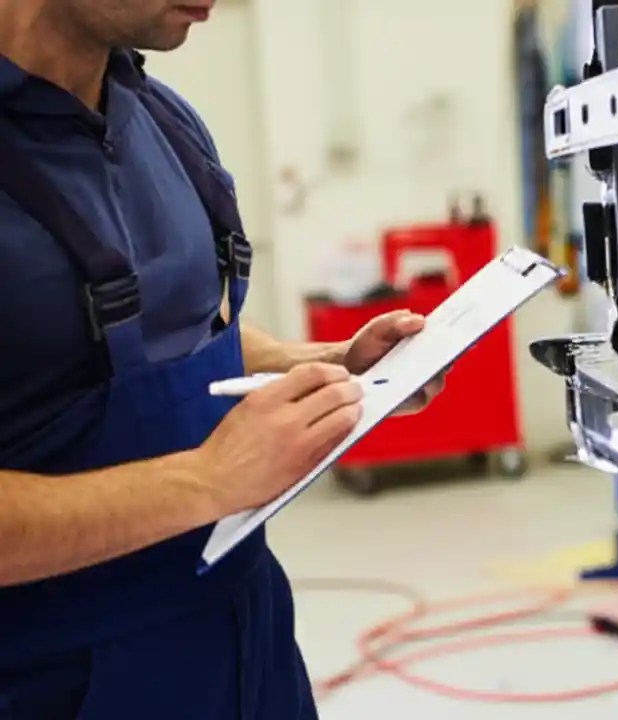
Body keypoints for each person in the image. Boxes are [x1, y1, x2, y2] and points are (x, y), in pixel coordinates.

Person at [0, 1, 445, 717]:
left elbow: (180, 328)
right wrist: (207, 483)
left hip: (248, 652)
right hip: (54, 684)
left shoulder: (166, 125)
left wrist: (331, 361)